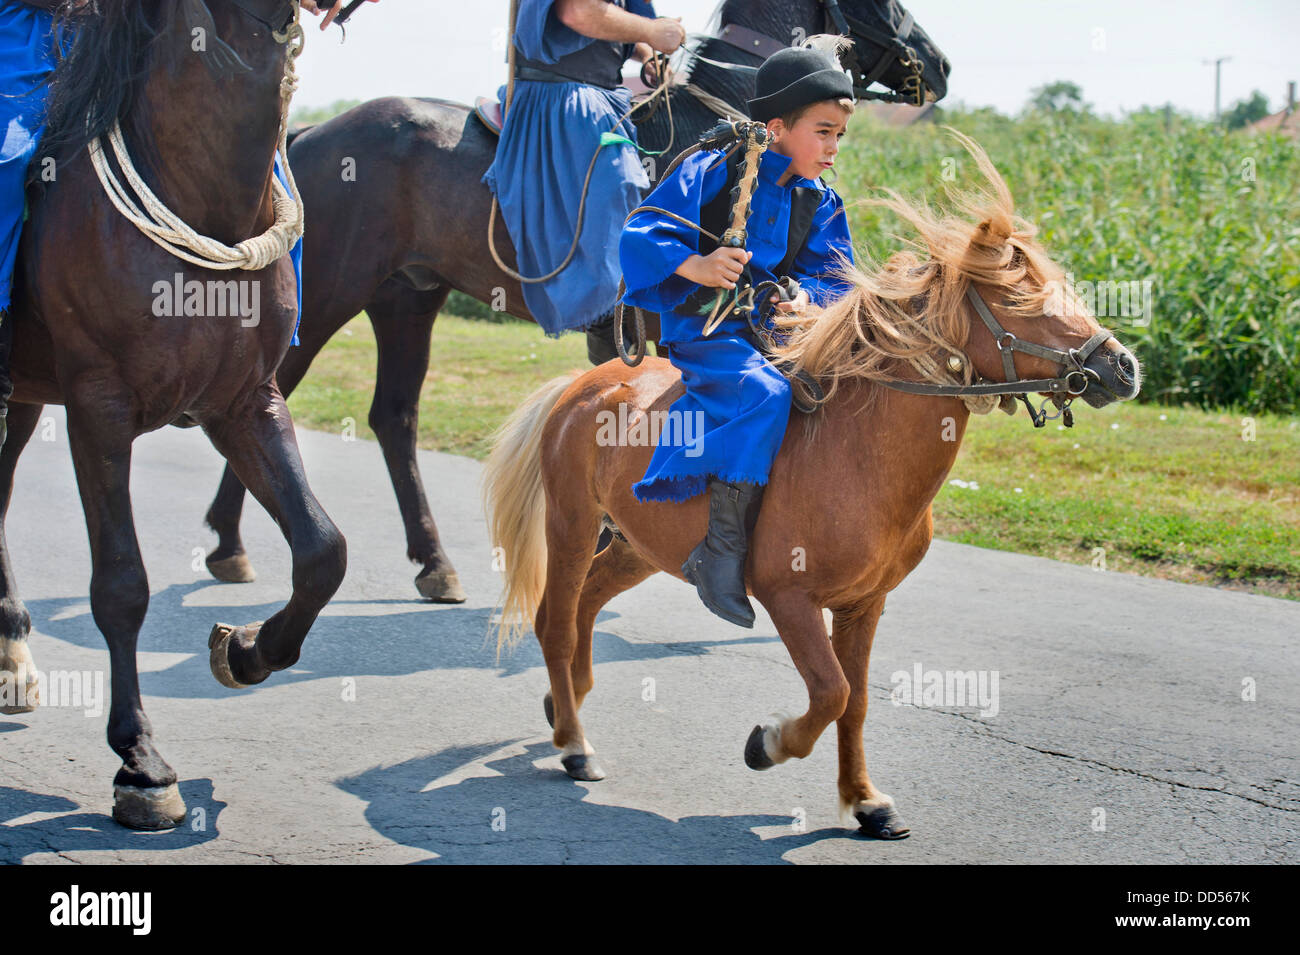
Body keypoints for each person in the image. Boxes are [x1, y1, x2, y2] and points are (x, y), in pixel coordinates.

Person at [0, 0, 359, 450]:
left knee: (268, 183)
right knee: (5, 160)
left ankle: (262, 348)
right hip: (29, 30)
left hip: (130, 33)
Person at [619, 42, 856, 628]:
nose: (831, 148)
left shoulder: (819, 199)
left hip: (778, 335)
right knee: (766, 395)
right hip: (708, 334)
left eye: (839, 137)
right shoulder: (715, 171)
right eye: (822, 132)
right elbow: (639, 235)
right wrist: (696, 266)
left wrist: (806, 296)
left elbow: (836, 278)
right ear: (777, 128)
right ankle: (720, 551)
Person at [483, 0, 684, 363]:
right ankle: (609, 333)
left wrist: (647, 52)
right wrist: (653, 32)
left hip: (607, 91)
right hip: (563, 96)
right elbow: (578, 12)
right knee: (614, 184)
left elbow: (626, 16)